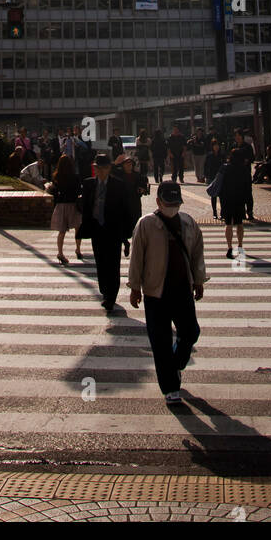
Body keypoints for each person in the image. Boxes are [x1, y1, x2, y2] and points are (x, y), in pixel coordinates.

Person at [128, 181, 208, 404]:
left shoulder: (188, 223)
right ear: (158, 202)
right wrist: (135, 287)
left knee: (191, 332)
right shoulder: (146, 224)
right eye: (168, 202)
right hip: (156, 292)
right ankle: (170, 387)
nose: (172, 207)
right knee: (160, 341)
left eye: (175, 203)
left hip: (182, 288)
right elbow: (137, 258)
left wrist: (199, 279)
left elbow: (196, 253)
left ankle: (176, 363)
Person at [78, 151, 129, 311]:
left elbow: (125, 210)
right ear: (94, 168)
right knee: (100, 262)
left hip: (112, 230)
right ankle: (105, 291)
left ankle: (111, 295)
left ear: (109, 168)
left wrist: (125, 235)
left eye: (104, 168)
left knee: (113, 263)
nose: (100, 171)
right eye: (98, 168)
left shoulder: (118, 185)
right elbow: (84, 206)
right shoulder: (88, 184)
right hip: (96, 228)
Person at [48, 153, 83, 264]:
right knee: (78, 228)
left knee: (62, 231)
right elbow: (79, 191)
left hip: (61, 205)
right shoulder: (75, 177)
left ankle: (60, 252)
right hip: (73, 204)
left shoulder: (56, 176)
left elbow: (53, 191)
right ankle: (78, 249)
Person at [219, 144, 251, 258]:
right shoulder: (244, 169)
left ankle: (229, 247)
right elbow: (248, 186)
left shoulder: (225, 167)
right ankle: (240, 246)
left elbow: (220, 184)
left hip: (227, 199)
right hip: (239, 199)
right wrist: (248, 201)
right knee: (239, 223)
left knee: (228, 224)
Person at [112, 153, 143, 257]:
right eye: (126, 163)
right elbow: (110, 170)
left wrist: (141, 190)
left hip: (134, 204)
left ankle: (136, 249)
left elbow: (142, 187)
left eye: (130, 163)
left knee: (135, 227)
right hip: (122, 205)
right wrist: (116, 162)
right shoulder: (119, 174)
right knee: (120, 228)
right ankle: (125, 242)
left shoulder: (137, 175)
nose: (129, 165)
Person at [232, 127, 255, 222]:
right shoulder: (233, 146)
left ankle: (250, 212)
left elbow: (251, 158)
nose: (237, 138)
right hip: (236, 174)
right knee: (238, 194)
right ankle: (241, 212)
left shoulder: (247, 146)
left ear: (242, 136)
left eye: (238, 136)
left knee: (248, 194)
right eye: (235, 136)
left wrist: (247, 161)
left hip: (245, 174)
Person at [204, 139, 224, 219]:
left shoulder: (222, 155)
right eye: (214, 145)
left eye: (217, 145)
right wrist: (206, 175)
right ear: (212, 147)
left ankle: (222, 212)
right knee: (213, 195)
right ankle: (214, 212)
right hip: (212, 177)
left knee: (222, 196)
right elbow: (206, 166)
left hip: (221, 176)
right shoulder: (209, 155)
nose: (216, 147)